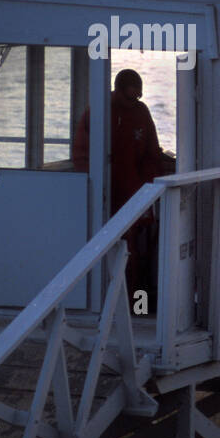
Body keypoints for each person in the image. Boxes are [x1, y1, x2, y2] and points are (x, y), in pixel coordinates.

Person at [71, 69, 168, 301]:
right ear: (118, 89)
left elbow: (152, 152)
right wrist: (93, 189)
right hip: (104, 196)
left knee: (134, 253)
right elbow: (82, 156)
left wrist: (147, 187)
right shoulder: (98, 112)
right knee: (105, 251)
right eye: (129, 96)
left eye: (137, 96)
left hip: (133, 195)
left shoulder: (141, 112)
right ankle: (105, 302)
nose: (133, 100)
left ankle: (133, 303)